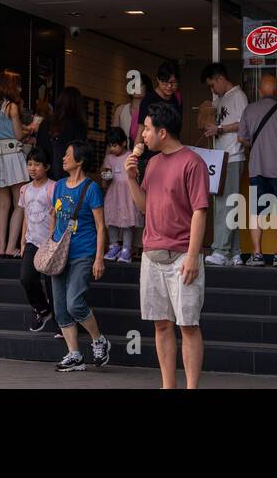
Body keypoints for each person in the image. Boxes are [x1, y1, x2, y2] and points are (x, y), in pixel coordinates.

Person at [125, 101, 208, 389]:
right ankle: (167, 385)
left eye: (147, 129)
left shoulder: (192, 162)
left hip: (183, 254)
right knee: (161, 324)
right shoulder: (152, 164)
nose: (143, 135)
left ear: (162, 132)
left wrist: (193, 257)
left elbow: (200, 210)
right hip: (152, 253)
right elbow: (146, 208)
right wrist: (131, 180)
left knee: (188, 325)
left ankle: (191, 387)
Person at [49, 140, 110, 372]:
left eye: (67, 154)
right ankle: (74, 355)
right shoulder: (60, 185)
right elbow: (54, 215)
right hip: (59, 254)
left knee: (75, 303)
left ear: (80, 160)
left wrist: (99, 258)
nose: (63, 158)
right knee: (61, 307)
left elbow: (100, 226)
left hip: (82, 253)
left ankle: (98, 340)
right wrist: (50, 243)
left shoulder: (91, 188)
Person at [238, 74, 277, 267]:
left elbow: (241, 138)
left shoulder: (249, 110)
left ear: (259, 91)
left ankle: (257, 254)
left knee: (257, 212)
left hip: (258, 169)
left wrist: (257, 147)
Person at [0, 70, 42, 257]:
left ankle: (0, 248)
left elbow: (5, 129)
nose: (20, 88)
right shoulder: (12, 107)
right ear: (10, 86)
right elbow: (17, 135)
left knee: (2, 205)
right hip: (11, 155)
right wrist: (32, 128)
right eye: (17, 84)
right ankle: (11, 248)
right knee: (20, 203)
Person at [201, 63, 248, 267]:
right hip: (222, 157)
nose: (212, 90)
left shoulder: (238, 96)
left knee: (225, 204)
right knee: (230, 204)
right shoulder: (220, 99)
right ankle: (234, 252)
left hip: (232, 155)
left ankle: (221, 249)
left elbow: (244, 123)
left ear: (221, 79)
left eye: (212, 85)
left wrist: (219, 128)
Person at [18, 152, 56, 332]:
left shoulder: (54, 187)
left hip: (50, 243)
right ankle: (42, 309)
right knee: (26, 278)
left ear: (47, 167)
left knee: (52, 284)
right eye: (30, 164)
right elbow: (26, 216)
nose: (32, 168)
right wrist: (23, 241)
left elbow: (55, 216)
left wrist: (51, 241)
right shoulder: (25, 189)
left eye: (37, 164)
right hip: (32, 241)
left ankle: (60, 322)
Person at [134, 60, 183, 178]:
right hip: (150, 158)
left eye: (173, 82)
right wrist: (135, 159)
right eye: (165, 82)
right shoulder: (148, 100)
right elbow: (141, 132)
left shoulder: (176, 100)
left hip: (172, 157)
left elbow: (176, 131)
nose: (169, 86)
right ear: (158, 80)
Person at [100, 127, 141, 263]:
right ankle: (114, 246)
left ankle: (126, 249)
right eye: (110, 146)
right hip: (114, 194)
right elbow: (105, 173)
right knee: (112, 219)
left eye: (115, 145)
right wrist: (105, 175)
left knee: (128, 221)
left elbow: (136, 174)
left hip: (128, 194)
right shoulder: (109, 158)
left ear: (123, 143)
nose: (112, 148)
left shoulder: (130, 155)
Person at [36, 86, 87, 182]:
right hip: (67, 176)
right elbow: (79, 153)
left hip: (45, 174)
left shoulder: (46, 123)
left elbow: (39, 148)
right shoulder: (78, 125)